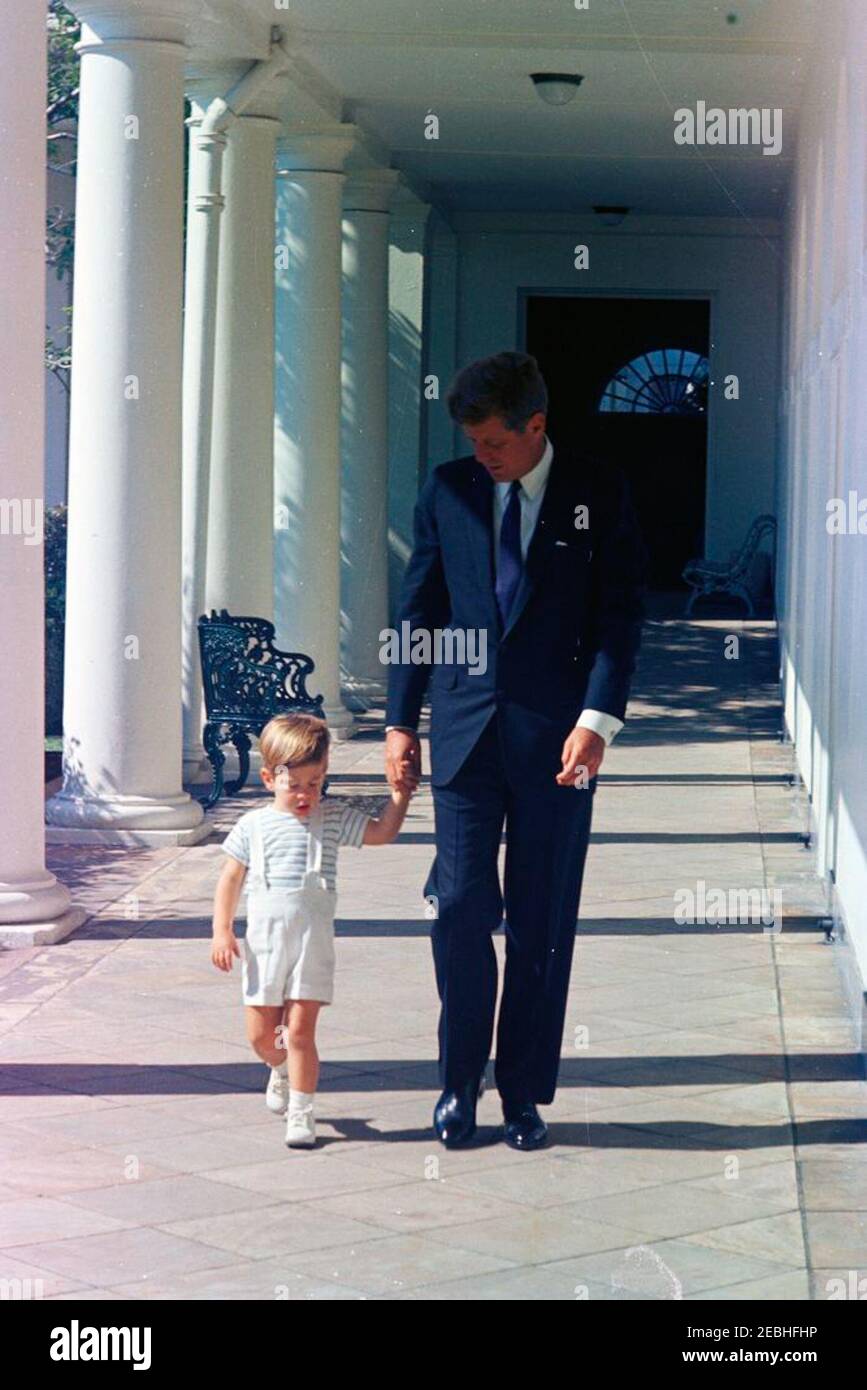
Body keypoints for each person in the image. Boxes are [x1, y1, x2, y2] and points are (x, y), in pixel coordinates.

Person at [385, 351, 646, 1151]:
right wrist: (400, 720)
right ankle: (457, 1085)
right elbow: (420, 604)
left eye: (494, 442)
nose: (481, 456)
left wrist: (596, 720)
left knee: (540, 920)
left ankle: (521, 1094)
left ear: (535, 426)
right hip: (465, 736)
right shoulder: (446, 488)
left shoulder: (598, 492)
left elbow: (619, 617)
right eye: (472, 441)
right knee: (461, 908)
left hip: (559, 742)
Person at [211, 712, 416, 1148]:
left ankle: (302, 1110)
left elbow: (381, 832)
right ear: (270, 778)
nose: (306, 794)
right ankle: (279, 1069)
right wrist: (221, 931)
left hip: (312, 943)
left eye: (315, 782)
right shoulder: (253, 826)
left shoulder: (333, 818)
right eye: (295, 784)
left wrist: (399, 797)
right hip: (264, 945)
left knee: (301, 1031)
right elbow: (230, 879)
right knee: (262, 1036)